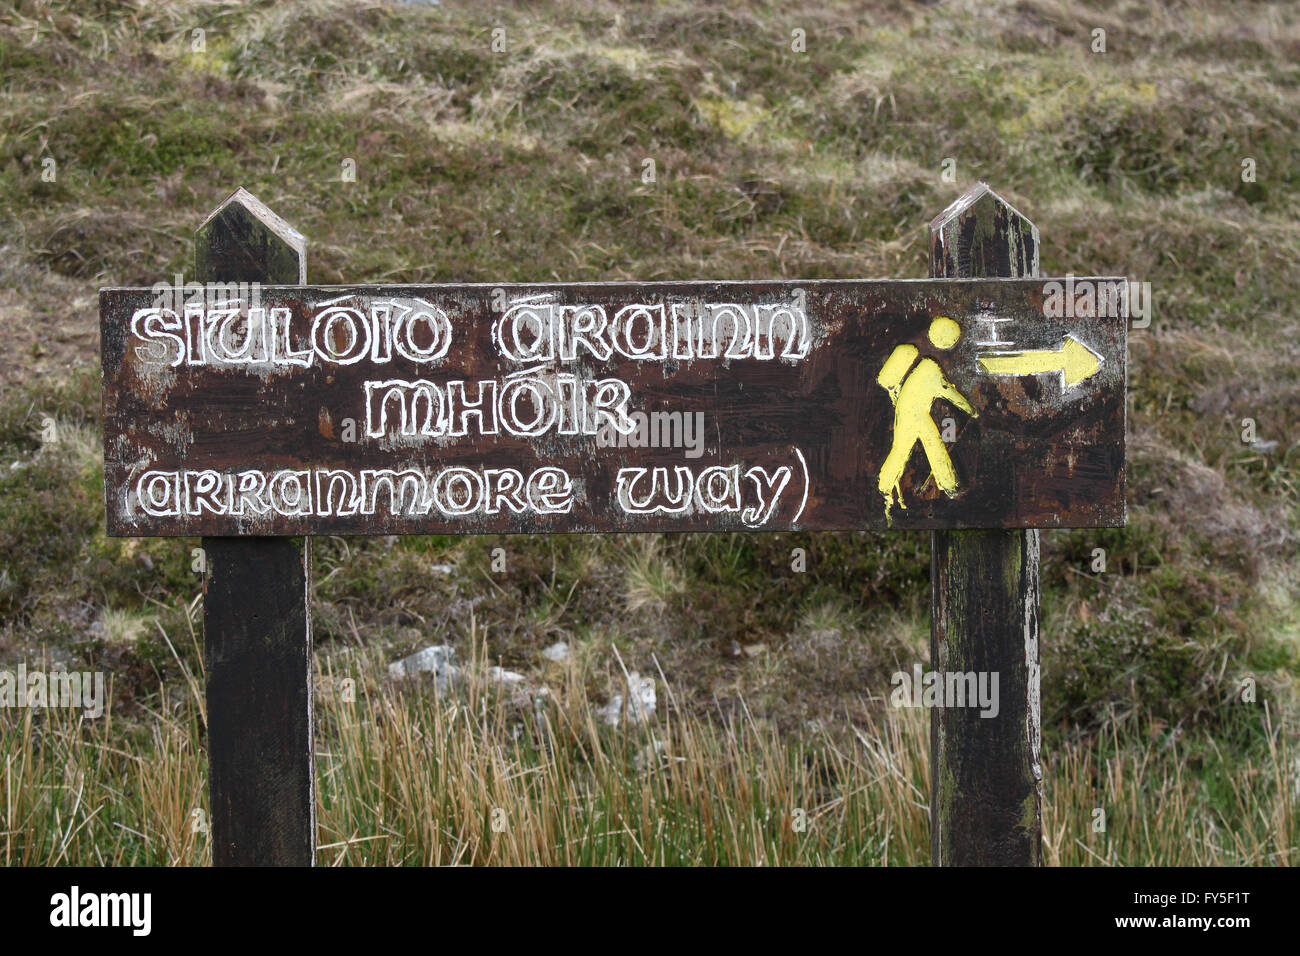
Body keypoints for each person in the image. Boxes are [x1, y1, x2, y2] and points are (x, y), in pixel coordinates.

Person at [876, 316, 977, 521]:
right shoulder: (930, 368)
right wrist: (970, 410)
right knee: (912, 448)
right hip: (913, 415)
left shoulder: (922, 364)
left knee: (923, 447)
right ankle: (886, 486)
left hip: (911, 412)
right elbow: (948, 392)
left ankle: (947, 484)